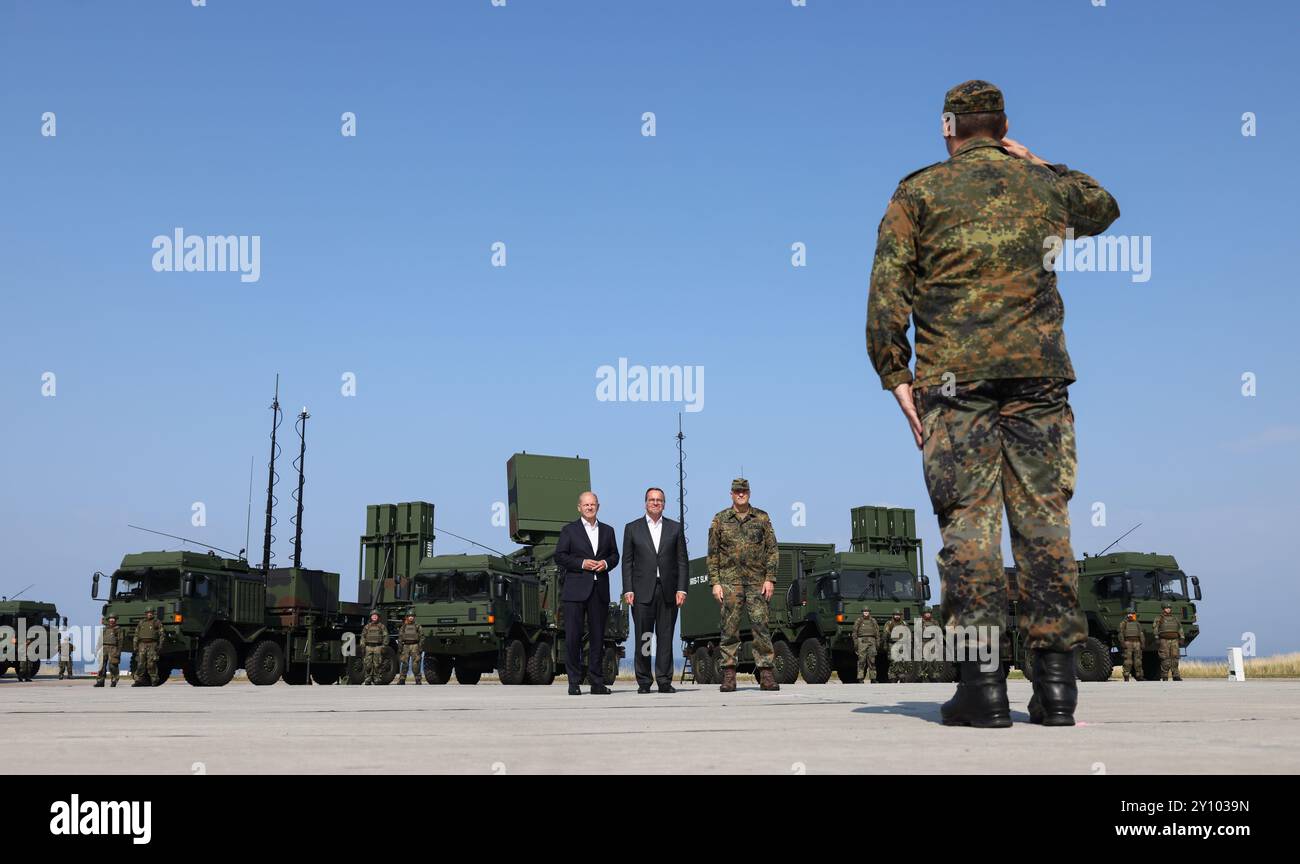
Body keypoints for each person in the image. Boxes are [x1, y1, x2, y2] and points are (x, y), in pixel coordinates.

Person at [867, 80, 1119, 727]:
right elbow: (1103, 206)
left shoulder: (918, 193)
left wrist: (896, 374)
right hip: (1038, 381)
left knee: (969, 528)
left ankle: (982, 689)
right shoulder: (1040, 185)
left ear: (949, 129)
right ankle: (1057, 687)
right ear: (1002, 126)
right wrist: (1037, 163)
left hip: (954, 387)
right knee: (1044, 524)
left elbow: (887, 292)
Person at [708, 478, 779, 693]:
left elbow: (772, 550)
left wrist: (770, 578)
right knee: (729, 629)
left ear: (749, 492)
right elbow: (713, 554)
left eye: (744, 491)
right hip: (730, 583)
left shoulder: (762, 517)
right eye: (737, 491)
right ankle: (729, 674)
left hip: (757, 582)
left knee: (761, 626)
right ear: (731, 493)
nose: (741, 494)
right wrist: (715, 583)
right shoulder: (720, 519)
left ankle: (766, 673)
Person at [622, 487, 689, 694]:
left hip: (669, 590)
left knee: (666, 636)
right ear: (645, 503)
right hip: (641, 591)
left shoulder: (675, 528)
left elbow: (682, 561)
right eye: (652, 499)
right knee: (645, 638)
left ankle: (664, 680)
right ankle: (643, 681)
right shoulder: (632, 528)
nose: (655, 503)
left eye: (659, 500)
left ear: (664, 504)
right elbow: (627, 562)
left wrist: (682, 589)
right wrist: (628, 589)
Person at [554, 491, 619, 695]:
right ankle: (573, 682)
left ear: (598, 506)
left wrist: (606, 563)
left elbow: (615, 556)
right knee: (573, 638)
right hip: (575, 591)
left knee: (598, 638)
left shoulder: (608, 531)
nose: (590, 507)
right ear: (579, 507)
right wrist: (581, 563)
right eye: (586, 505)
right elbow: (560, 556)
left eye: (593, 504)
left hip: (599, 590)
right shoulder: (569, 531)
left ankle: (597, 683)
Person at [132, 609, 163, 687]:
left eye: (151, 613)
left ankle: (154, 680)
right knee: (140, 663)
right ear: (146, 614)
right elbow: (136, 635)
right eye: (148, 613)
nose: (149, 614)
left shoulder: (157, 622)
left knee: (151, 664)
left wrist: (160, 645)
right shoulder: (141, 622)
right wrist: (135, 645)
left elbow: (162, 635)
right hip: (142, 644)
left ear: (153, 614)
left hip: (152, 644)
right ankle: (138, 680)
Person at [1154, 604, 1184, 681]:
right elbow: (1155, 628)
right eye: (1166, 608)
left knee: (1175, 657)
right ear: (1163, 609)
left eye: (1169, 608)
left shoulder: (1175, 618)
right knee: (1165, 658)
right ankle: (1164, 676)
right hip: (1164, 640)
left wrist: (1182, 638)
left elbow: (1180, 628)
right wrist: (1156, 637)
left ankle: (1176, 675)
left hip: (1174, 640)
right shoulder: (1159, 618)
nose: (1168, 609)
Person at [852, 607, 880, 683]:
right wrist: (856, 644)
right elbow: (854, 633)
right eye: (864, 611)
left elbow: (877, 632)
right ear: (862, 612)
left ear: (869, 612)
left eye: (867, 611)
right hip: (862, 641)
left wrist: (877, 643)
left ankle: (873, 678)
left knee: (872, 661)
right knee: (861, 660)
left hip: (872, 641)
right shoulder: (859, 620)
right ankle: (860, 678)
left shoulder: (873, 621)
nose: (866, 612)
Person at [1118, 609, 1145, 682]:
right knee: (1128, 661)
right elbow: (1120, 634)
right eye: (1132, 614)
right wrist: (1122, 643)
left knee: (1138, 660)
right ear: (1128, 615)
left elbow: (1141, 633)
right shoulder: (1124, 623)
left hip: (1137, 643)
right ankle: (1126, 675)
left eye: (1134, 614)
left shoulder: (1137, 623)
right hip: (1128, 642)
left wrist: (1142, 643)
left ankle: (1139, 675)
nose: (1133, 615)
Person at [361, 612, 387, 685]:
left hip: (378, 646)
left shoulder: (382, 626)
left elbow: (386, 636)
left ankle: (377, 678)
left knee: (377, 663)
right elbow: (363, 636)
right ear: (371, 617)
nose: (374, 617)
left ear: (378, 617)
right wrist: (363, 645)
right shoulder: (367, 626)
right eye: (373, 616)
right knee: (368, 663)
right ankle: (368, 678)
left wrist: (384, 646)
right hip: (368, 647)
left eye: (376, 616)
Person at [95, 616, 122, 687]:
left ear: (115, 620)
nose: (111, 620)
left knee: (113, 665)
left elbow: (120, 641)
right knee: (101, 665)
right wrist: (97, 649)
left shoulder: (118, 629)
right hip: (104, 647)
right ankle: (100, 681)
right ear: (108, 620)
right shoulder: (104, 629)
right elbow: (100, 640)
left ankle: (114, 680)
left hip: (113, 648)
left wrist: (118, 651)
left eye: (113, 619)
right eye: (110, 619)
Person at [396, 614, 423, 685]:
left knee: (416, 663)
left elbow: (422, 637)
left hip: (415, 645)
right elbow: (400, 637)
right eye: (409, 616)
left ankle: (418, 679)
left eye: (412, 616)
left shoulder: (417, 626)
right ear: (407, 617)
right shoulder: (404, 626)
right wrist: (400, 647)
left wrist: (420, 647)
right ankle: (402, 679)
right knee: (404, 663)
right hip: (406, 646)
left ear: (414, 617)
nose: (411, 618)